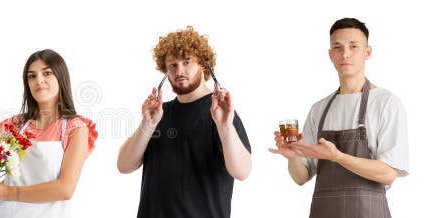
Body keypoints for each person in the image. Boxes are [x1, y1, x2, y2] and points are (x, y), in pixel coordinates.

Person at [269, 18, 409, 218]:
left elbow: (387, 174)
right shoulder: (319, 109)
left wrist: (338, 157)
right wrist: (292, 157)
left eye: (353, 46)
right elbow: (301, 177)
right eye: (338, 47)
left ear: (367, 52)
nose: (345, 54)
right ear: (330, 55)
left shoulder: (386, 104)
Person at [116, 26, 252, 217]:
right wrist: (147, 124)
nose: (179, 70)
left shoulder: (221, 114)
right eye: (173, 65)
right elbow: (124, 165)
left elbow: (242, 171)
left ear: (204, 66)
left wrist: (225, 127)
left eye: (187, 62)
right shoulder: (158, 114)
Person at [0, 49, 98, 217]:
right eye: (32, 76)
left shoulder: (76, 128)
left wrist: (5, 192)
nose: (39, 81)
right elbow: (5, 177)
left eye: (47, 73)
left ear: (61, 77)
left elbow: (65, 189)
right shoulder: (13, 125)